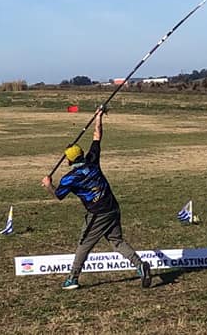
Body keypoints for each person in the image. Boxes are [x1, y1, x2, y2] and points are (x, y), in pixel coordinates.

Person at [41, 106, 151, 290]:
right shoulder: (93, 160)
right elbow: (97, 135)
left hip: (98, 214)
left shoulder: (70, 178)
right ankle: (140, 265)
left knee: (84, 244)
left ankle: (72, 279)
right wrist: (98, 117)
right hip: (113, 207)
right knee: (116, 241)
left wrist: (48, 184)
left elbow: (58, 195)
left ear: (69, 161)